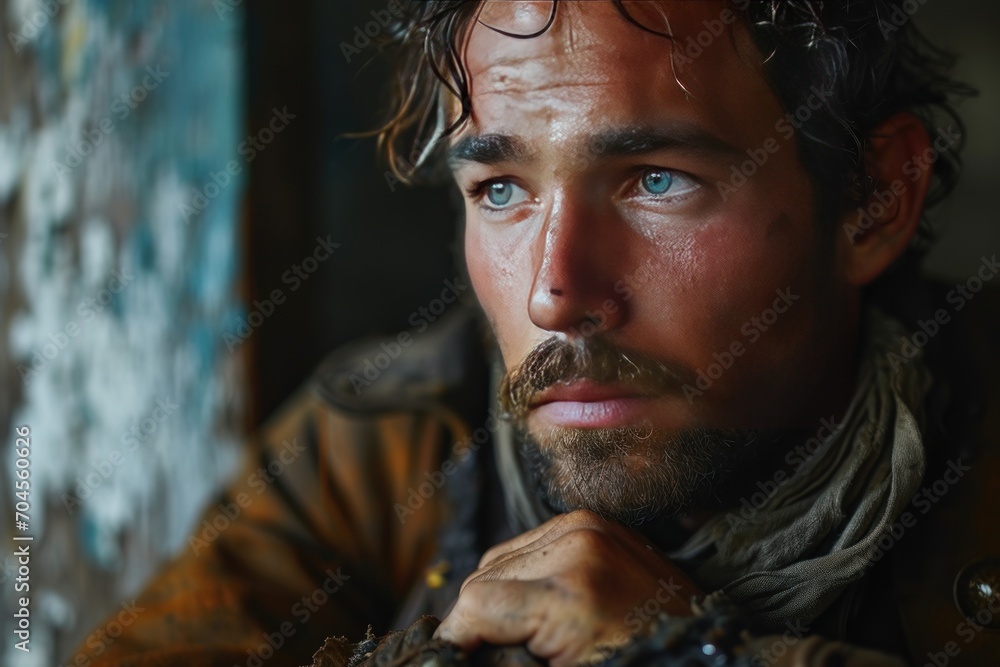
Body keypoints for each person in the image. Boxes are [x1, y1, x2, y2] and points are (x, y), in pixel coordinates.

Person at [69, 1, 1000, 666]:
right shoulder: (380, 444)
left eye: (655, 178)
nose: (556, 293)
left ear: (875, 200)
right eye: (501, 190)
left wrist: (698, 651)